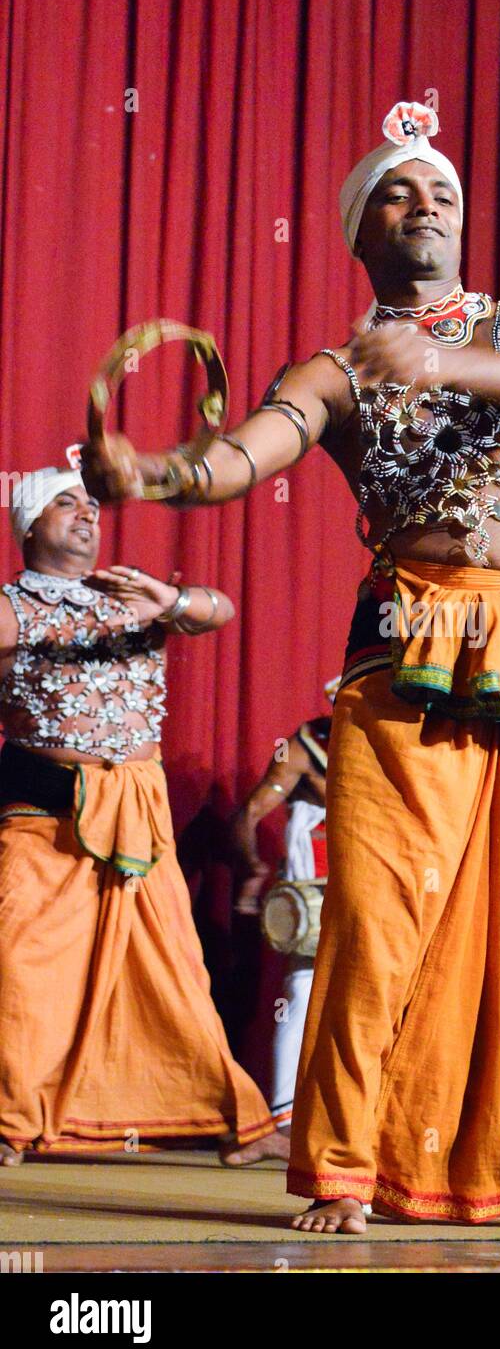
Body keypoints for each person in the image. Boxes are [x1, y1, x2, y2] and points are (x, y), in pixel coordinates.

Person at [82, 100, 500, 1232]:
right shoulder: (334, 369)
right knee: (379, 919)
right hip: (400, 657)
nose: (428, 206)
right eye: (401, 193)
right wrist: (154, 474)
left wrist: (439, 355)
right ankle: (345, 1169)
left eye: (444, 194)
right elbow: (241, 453)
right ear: (361, 231)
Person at [0, 464, 290, 1166]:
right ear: (30, 526)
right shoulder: (11, 606)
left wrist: (171, 596)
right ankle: (10, 1119)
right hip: (49, 811)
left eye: (91, 503)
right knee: (21, 965)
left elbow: (217, 610)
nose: (86, 513)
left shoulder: (134, 594)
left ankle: (238, 1118)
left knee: (175, 969)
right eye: (65, 503)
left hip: (140, 814)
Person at [230, 683, 337, 1132]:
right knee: (302, 989)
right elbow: (253, 811)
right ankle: (285, 1110)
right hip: (315, 879)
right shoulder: (304, 747)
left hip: (380, 873)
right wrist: (253, 867)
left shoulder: (401, 740)